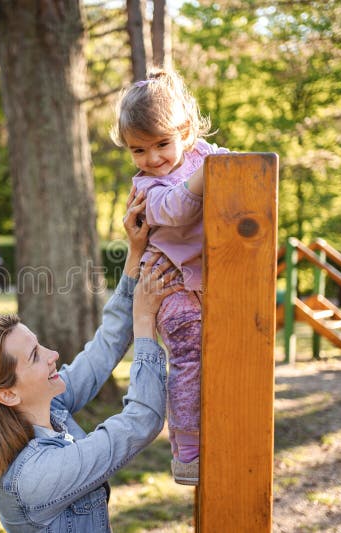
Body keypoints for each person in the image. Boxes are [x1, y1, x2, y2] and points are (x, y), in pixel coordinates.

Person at [0, 190, 181, 532]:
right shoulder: (36, 475)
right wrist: (145, 323)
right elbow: (141, 421)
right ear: (8, 395)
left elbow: (106, 346)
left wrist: (134, 255)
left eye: (39, 345)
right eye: (34, 356)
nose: (52, 355)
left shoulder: (47, 409)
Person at [110, 68, 230, 485]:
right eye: (138, 150)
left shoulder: (204, 156)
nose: (153, 158)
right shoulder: (146, 188)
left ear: (186, 131)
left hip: (210, 280)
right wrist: (211, 170)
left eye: (162, 143)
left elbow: (232, 175)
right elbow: (179, 209)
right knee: (188, 352)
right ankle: (186, 448)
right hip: (170, 286)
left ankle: (219, 423)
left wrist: (222, 166)